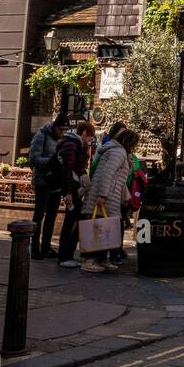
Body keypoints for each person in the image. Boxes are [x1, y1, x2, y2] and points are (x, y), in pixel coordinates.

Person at [80, 127, 139, 273]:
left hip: (111, 196)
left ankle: (101, 259)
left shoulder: (120, 153)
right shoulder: (118, 153)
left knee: (108, 227)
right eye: (134, 144)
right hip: (106, 196)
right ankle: (90, 260)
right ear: (128, 142)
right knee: (100, 226)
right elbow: (107, 174)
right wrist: (102, 195)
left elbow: (118, 177)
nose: (135, 147)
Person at [28, 113, 69, 259]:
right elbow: (33, 158)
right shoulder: (42, 135)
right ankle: (34, 247)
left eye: (66, 130)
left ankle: (46, 246)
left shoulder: (63, 138)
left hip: (56, 181)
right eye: (61, 130)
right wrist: (52, 161)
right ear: (55, 127)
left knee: (52, 215)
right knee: (39, 214)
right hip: (43, 180)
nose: (63, 133)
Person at [55, 121, 96, 269]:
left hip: (74, 189)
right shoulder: (72, 144)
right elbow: (68, 169)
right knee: (70, 223)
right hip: (72, 190)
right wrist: (69, 193)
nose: (89, 139)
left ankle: (67, 255)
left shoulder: (75, 143)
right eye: (89, 136)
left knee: (75, 222)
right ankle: (64, 257)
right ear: (84, 132)